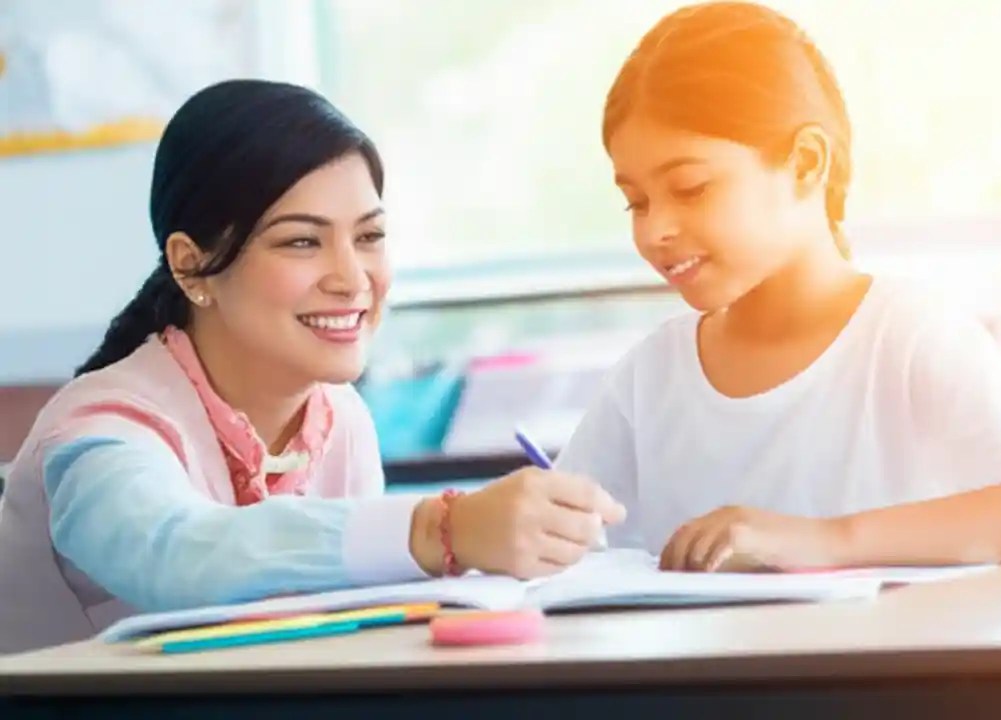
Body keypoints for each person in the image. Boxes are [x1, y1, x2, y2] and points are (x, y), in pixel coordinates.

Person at [0, 79, 623, 654]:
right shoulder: (99, 427)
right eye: (301, 240)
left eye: (369, 237)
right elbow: (178, 555)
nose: (352, 278)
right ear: (191, 266)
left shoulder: (339, 420)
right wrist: (445, 530)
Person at [554, 1, 1001, 576]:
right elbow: (555, 544)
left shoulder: (905, 334)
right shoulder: (652, 375)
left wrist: (827, 541)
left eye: (690, 187)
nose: (655, 229)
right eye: (636, 202)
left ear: (807, 164)